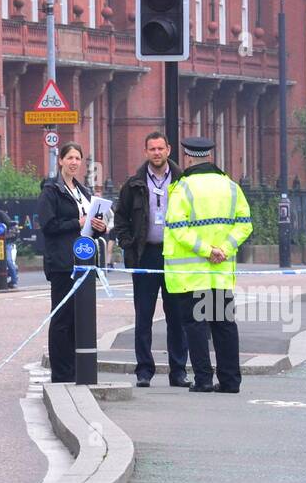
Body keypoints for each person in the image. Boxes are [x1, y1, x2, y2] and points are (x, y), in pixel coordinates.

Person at [164, 137, 252, 393]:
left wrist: (206, 250)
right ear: (210, 157)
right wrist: (223, 250)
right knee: (224, 325)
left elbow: (178, 229)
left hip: (192, 275)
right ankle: (230, 381)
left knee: (196, 326)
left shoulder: (182, 188)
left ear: (189, 157)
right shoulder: (231, 186)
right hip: (221, 273)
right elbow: (245, 223)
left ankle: (203, 379)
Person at [112, 131, 191, 388]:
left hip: (175, 255)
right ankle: (144, 370)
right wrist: (127, 243)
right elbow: (120, 217)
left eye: (160, 148)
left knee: (176, 316)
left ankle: (178, 370)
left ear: (168, 150)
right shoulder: (134, 183)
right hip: (145, 255)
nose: (157, 153)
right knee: (143, 316)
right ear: (146, 152)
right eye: (152, 149)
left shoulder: (183, 181)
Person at [38, 143, 108, 383]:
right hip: (62, 263)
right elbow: (48, 226)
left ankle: (78, 370)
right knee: (62, 319)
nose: (74, 162)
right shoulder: (51, 190)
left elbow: (88, 227)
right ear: (60, 161)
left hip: (84, 264)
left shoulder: (84, 192)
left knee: (80, 318)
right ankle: (61, 373)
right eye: (69, 158)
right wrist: (76, 223)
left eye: (78, 158)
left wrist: (100, 227)